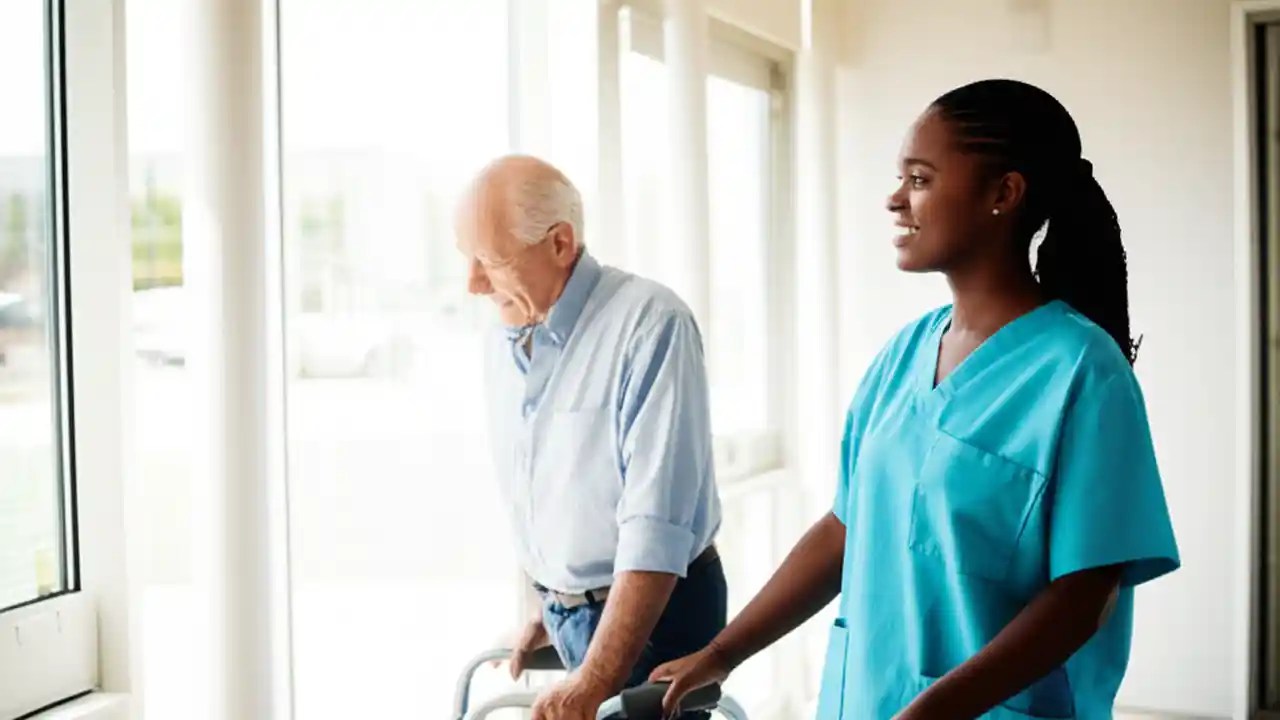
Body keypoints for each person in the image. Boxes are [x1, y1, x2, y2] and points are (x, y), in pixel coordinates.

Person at [650, 79, 1181, 719]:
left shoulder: (1083, 372)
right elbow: (844, 528)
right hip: (868, 697)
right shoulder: (903, 355)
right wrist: (725, 650)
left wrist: (932, 711)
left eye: (920, 179)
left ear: (1003, 194)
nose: (895, 200)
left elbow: (1085, 593)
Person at [454, 154, 726, 720]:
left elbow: (657, 527)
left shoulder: (651, 323)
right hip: (571, 615)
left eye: (491, 261)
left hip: (658, 616)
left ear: (560, 244)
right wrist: (548, 596)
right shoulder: (506, 338)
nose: (474, 284)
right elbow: (537, 488)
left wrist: (596, 676)